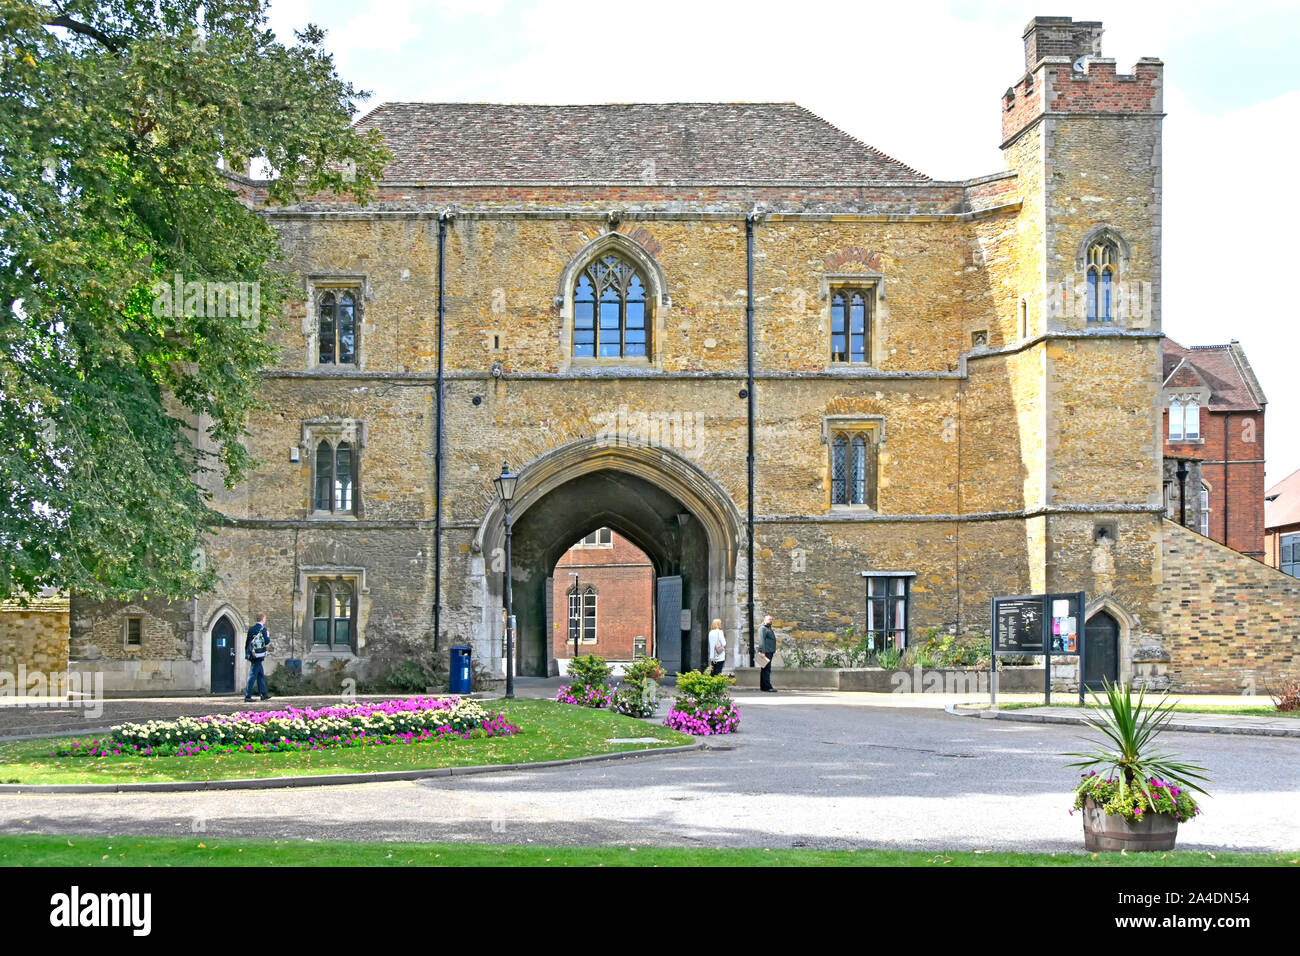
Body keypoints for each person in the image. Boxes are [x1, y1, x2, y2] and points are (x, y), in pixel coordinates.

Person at [244, 613, 272, 702]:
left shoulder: (251, 629)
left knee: (260, 674)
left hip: (253, 654)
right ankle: (247, 696)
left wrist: (248, 654)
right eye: (265, 618)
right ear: (263, 619)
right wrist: (267, 635)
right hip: (259, 655)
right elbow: (266, 642)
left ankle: (263, 694)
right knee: (253, 675)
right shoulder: (263, 629)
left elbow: (247, 642)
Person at [759, 615, 778, 692]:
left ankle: (764, 687)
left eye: (771, 619)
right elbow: (761, 641)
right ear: (764, 620)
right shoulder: (762, 628)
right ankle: (767, 687)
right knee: (766, 670)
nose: (771, 621)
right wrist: (762, 652)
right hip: (766, 652)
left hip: (769, 651)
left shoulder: (768, 628)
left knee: (765, 669)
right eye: (769, 619)